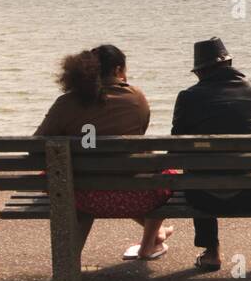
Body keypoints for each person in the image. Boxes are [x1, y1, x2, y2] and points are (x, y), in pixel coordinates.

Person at [35, 45, 174, 260]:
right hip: (133, 195)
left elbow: (36, 145)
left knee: (66, 176)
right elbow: (139, 136)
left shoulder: (66, 103)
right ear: (118, 69)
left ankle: (67, 268)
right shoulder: (135, 98)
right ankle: (154, 234)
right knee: (163, 173)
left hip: (77, 196)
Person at [171, 38, 251, 272]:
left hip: (203, 197)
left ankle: (211, 252)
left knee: (195, 169)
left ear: (200, 72)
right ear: (229, 63)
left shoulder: (187, 97)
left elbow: (177, 150)